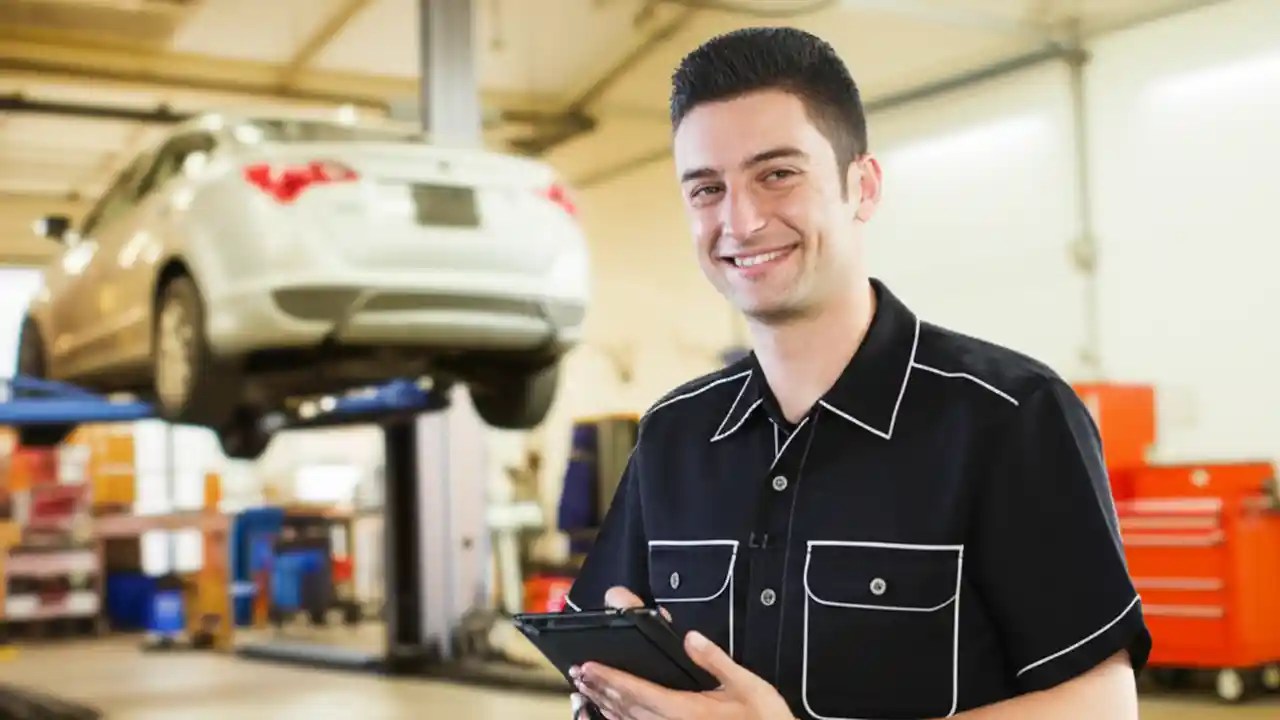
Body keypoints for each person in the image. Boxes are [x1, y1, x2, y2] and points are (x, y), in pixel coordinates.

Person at [563, 26, 1151, 720]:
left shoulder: (1009, 418)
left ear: (862, 187)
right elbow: (597, 669)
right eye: (707, 189)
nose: (740, 221)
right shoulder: (673, 433)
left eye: (777, 175)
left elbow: (1102, 706)